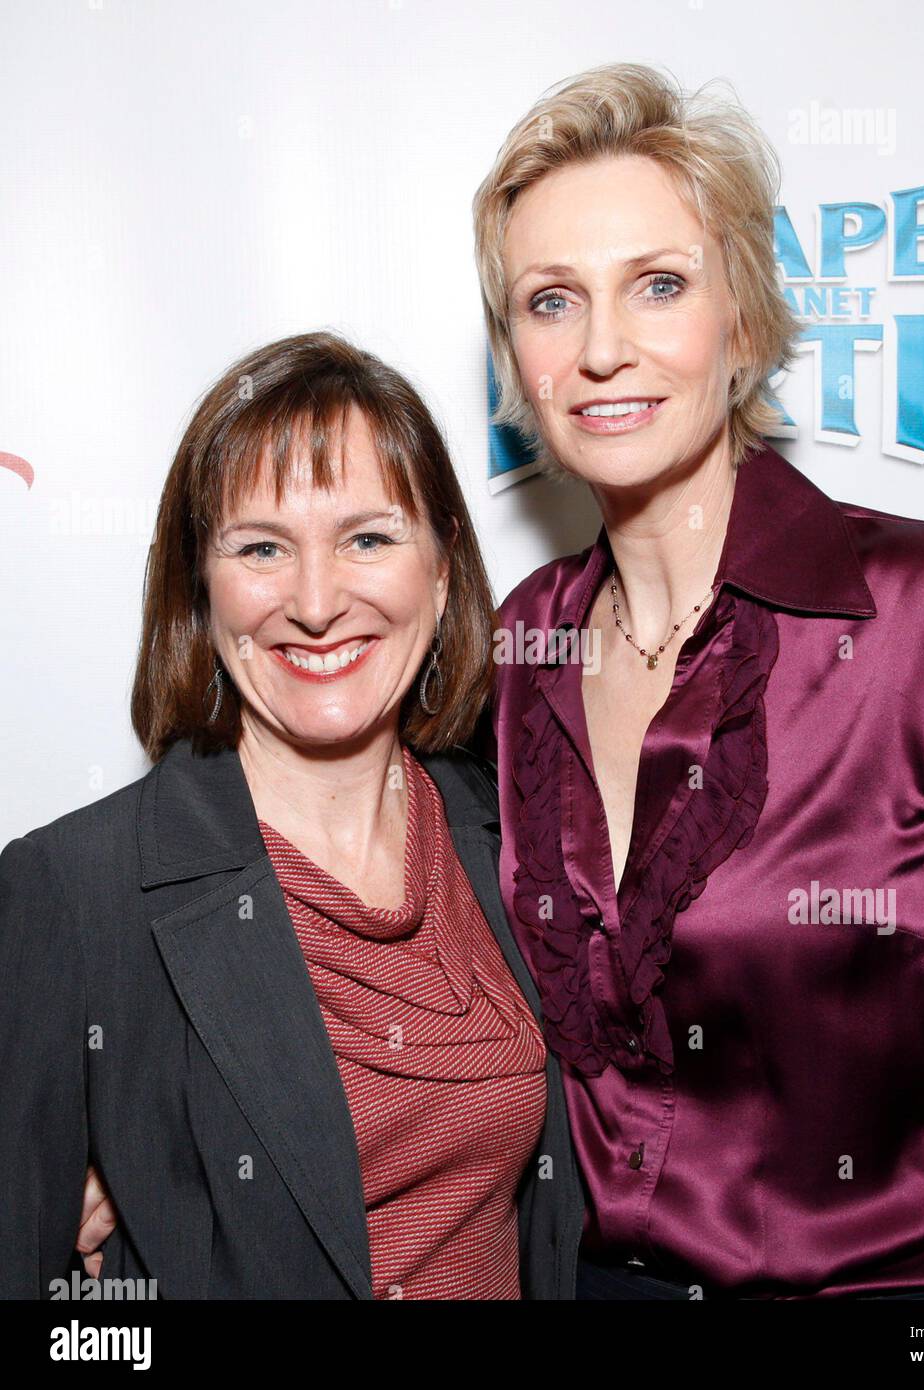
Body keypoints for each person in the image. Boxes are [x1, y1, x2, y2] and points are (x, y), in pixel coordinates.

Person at [470, 63, 924, 1298]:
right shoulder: (521, 643)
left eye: (659, 284)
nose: (602, 348)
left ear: (745, 322)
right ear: (517, 359)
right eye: (551, 301)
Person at [0, 331, 584, 1300]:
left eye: (368, 537)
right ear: (202, 584)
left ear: (441, 569)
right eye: (263, 547)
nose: (317, 602)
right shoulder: (76, 889)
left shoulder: (514, 835)